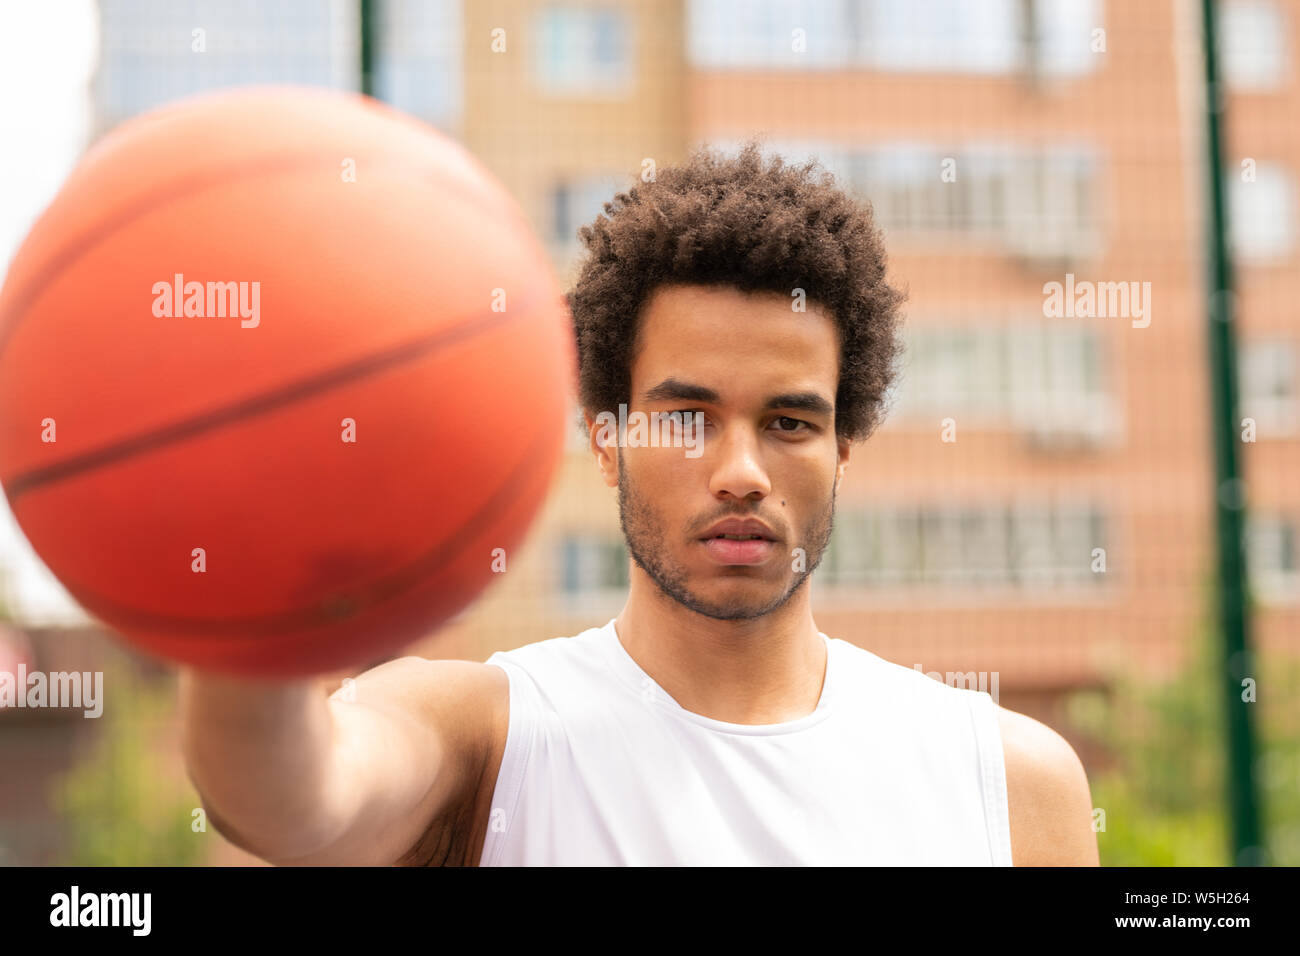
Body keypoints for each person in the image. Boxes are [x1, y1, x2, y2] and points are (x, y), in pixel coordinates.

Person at [181, 141, 1099, 866]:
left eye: (788, 422)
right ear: (607, 440)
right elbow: (284, 800)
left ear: (843, 450)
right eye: (687, 416)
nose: (741, 470)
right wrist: (252, 547)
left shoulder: (1012, 782)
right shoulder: (488, 737)